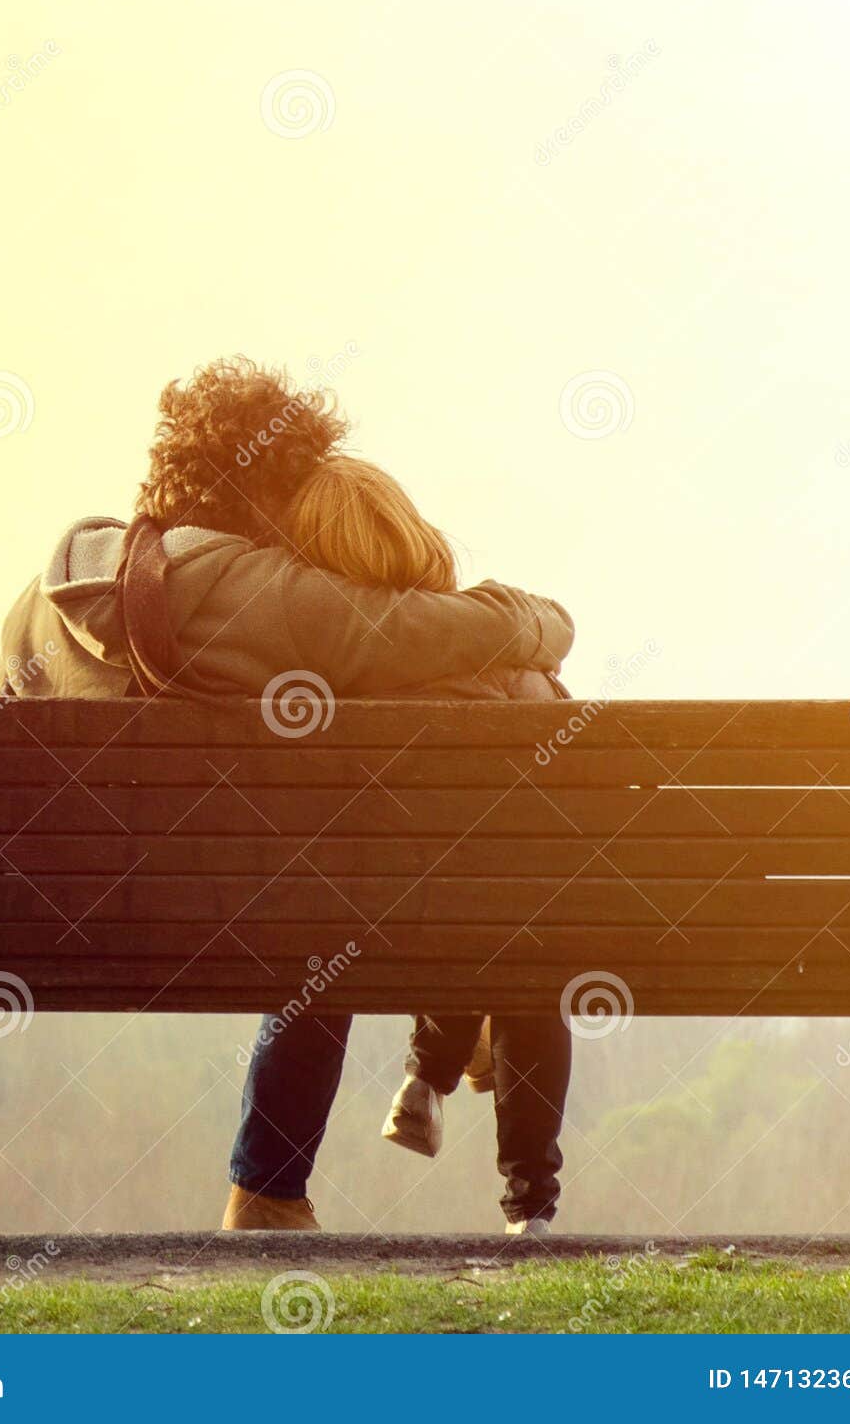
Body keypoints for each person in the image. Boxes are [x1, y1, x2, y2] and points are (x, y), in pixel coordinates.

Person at [0, 358, 574, 1233]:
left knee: (301, 878)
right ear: (266, 492)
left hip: (45, 915)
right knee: (314, 900)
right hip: (240, 915)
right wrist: (540, 622)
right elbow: (452, 629)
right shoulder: (264, 596)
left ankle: (281, 1181)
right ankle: (268, 1189)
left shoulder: (44, 596)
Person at [280, 456, 574, 1237]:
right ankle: (528, 1206)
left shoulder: (315, 671)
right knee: (517, 939)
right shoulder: (499, 656)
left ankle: (429, 1072)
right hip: (511, 925)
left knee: (457, 902)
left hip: (368, 932)